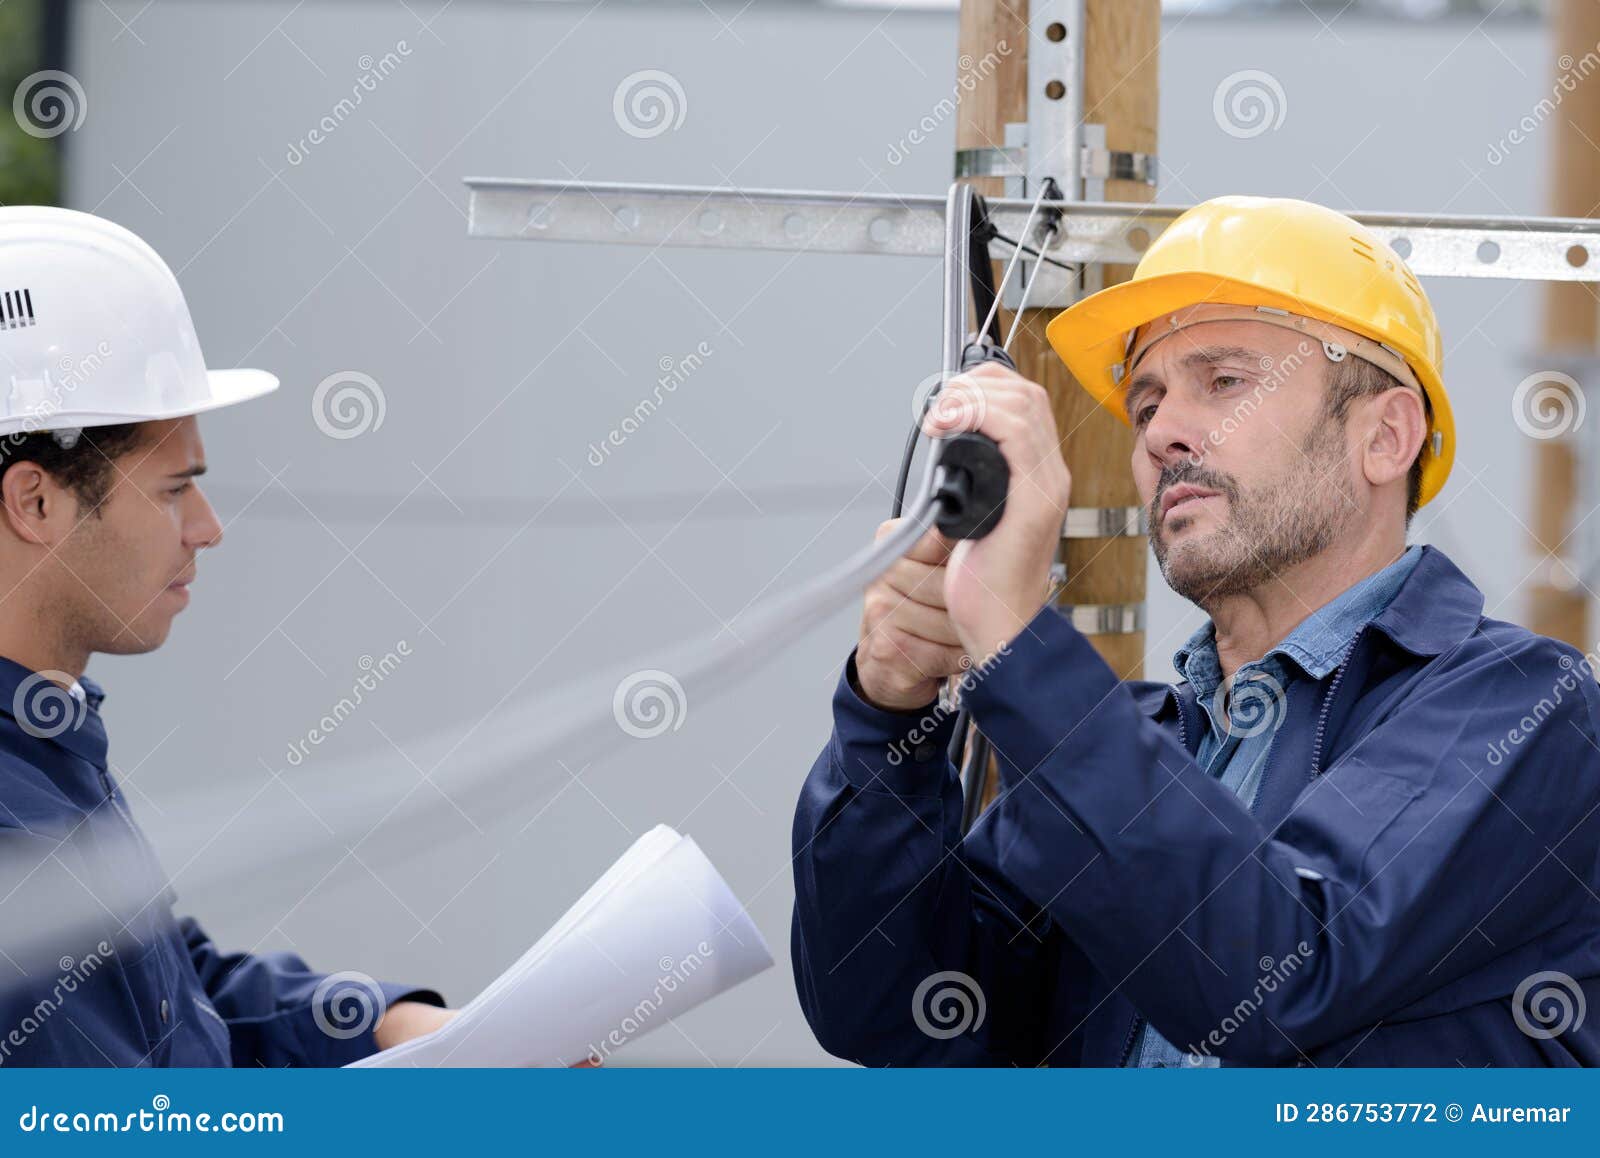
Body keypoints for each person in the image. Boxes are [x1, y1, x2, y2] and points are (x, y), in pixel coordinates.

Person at [791, 195, 1600, 1066]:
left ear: (1385, 436)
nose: (1162, 435)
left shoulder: (1523, 708)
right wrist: (887, 720)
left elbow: (1284, 973)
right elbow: (893, 1016)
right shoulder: (1130, 746)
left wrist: (1021, 642)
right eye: (1145, 406)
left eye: (1226, 382)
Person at [0, 206, 452, 1066]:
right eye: (175, 489)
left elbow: (171, 994)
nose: (206, 529)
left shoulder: (41, 739)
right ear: (37, 502)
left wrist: (392, 1025)